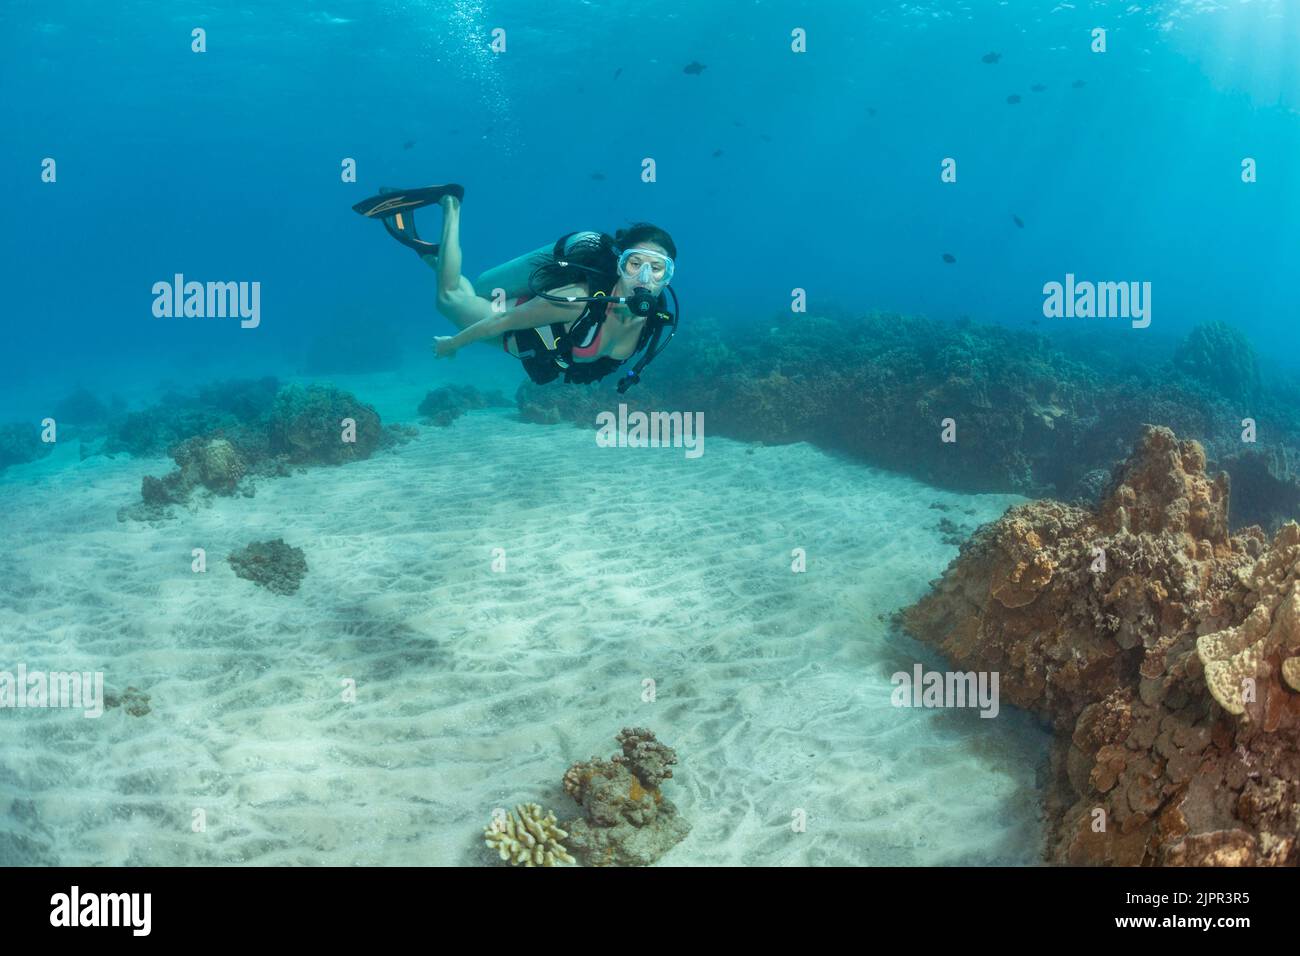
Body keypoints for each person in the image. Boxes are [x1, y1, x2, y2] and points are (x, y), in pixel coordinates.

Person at [352, 183, 679, 391]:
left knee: (466, 291)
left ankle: (436, 258)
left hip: (533, 348)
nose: (644, 278)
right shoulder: (578, 300)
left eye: (657, 268)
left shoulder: (656, 320)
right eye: (635, 264)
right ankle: (451, 204)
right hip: (511, 331)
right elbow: (502, 321)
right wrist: (453, 345)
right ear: (621, 262)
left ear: (667, 277)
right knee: (450, 297)